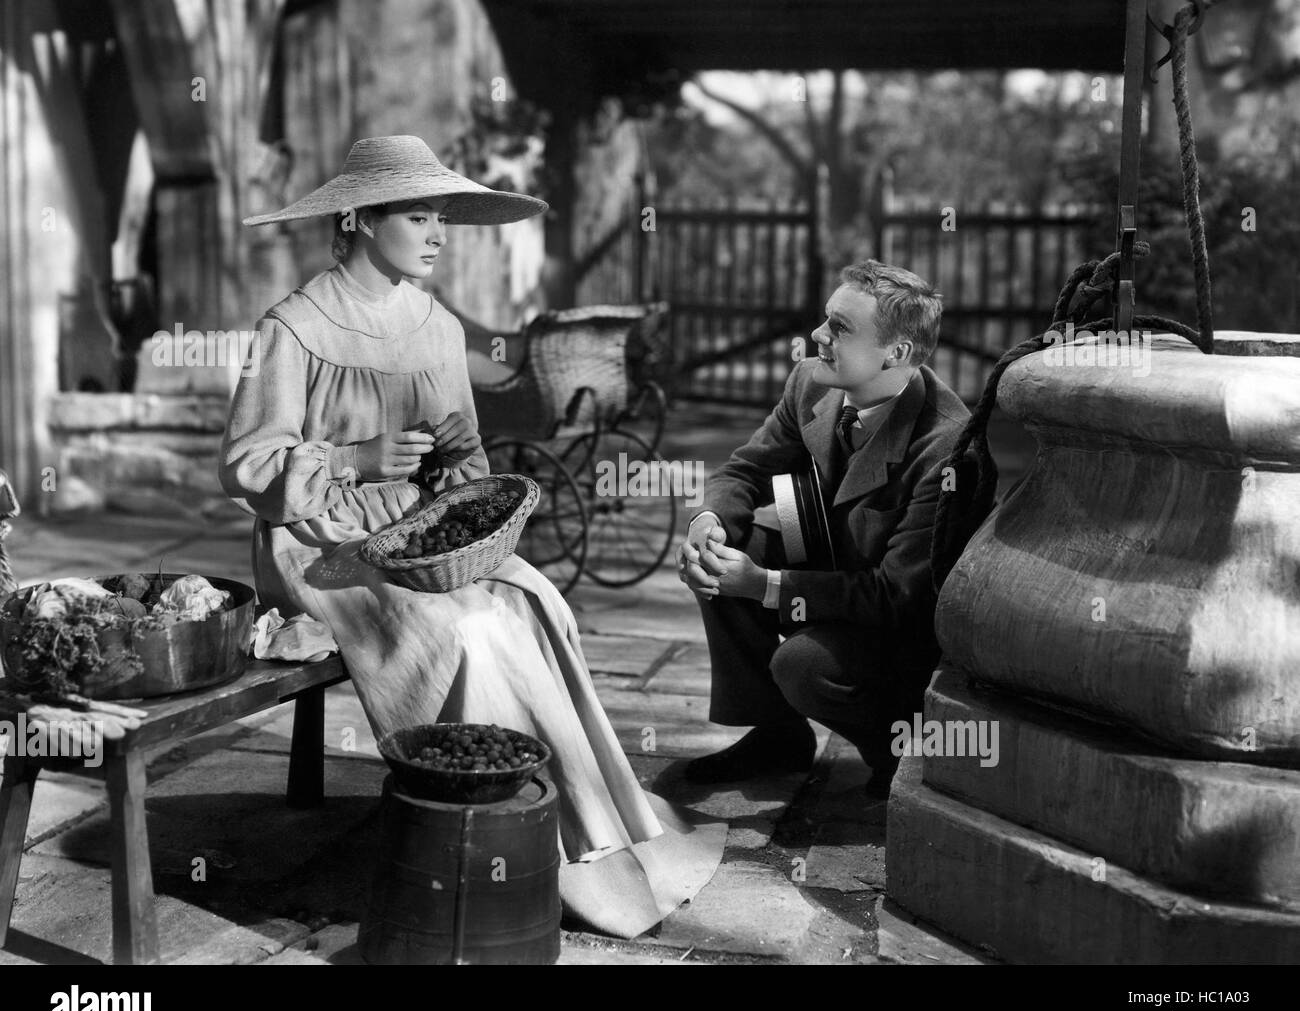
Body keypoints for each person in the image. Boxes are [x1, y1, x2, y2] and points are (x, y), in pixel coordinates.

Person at [221, 135, 724, 938]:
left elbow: (472, 467)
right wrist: (356, 458)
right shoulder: (294, 325)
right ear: (357, 217)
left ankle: (580, 821)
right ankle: (498, 834)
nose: (437, 234)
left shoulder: (438, 327)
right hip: (318, 538)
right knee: (467, 630)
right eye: (418, 215)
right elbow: (246, 466)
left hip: (421, 531)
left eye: (440, 217)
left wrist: (455, 459)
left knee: (535, 601)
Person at [676, 260, 969, 794]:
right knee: (727, 548)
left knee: (803, 664)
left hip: (904, 637)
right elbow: (745, 469)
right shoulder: (812, 385)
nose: (818, 336)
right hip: (839, 578)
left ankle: (898, 757)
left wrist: (763, 586)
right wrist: (709, 523)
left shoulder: (947, 448)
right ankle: (778, 736)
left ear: (896, 352)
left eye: (840, 327)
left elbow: (897, 598)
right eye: (826, 320)